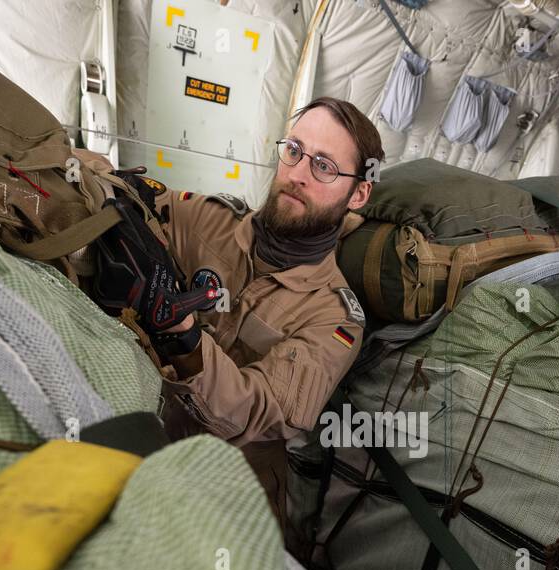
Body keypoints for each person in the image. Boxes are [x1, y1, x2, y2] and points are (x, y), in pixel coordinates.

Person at [131, 97, 383, 547]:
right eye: (294, 150)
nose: (298, 173)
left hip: (222, 503)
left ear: (358, 193)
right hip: (139, 435)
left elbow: (262, 411)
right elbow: (141, 205)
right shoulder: (210, 220)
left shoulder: (334, 319)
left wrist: (185, 339)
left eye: (324, 166)